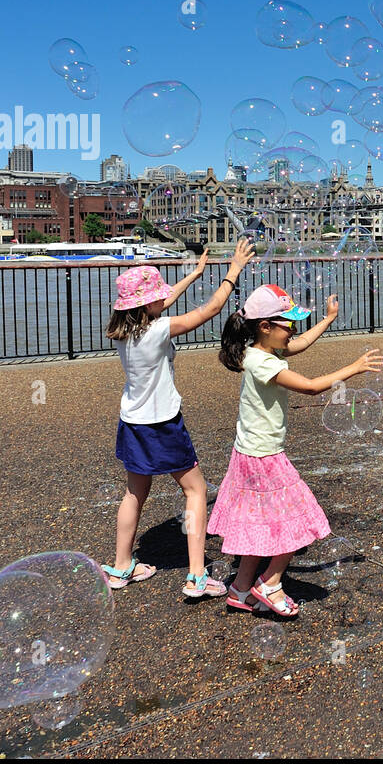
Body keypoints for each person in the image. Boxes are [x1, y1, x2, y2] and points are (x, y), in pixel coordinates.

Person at [210, 285, 383, 616]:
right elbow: (311, 387)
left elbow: (301, 344)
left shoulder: (260, 351)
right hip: (263, 456)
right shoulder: (264, 363)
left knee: (262, 523)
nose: (293, 330)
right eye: (287, 324)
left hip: (252, 452)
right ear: (265, 327)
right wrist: (354, 367)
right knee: (297, 519)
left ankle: (240, 589)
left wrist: (328, 319)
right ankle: (270, 583)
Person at [102, 239, 256, 598]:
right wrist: (233, 269)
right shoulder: (159, 330)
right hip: (163, 423)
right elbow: (211, 308)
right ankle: (197, 576)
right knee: (196, 489)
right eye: (157, 296)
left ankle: (122, 565)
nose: (163, 298)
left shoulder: (123, 331)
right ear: (147, 304)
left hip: (132, 420)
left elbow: (164, 300)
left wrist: (195, 274)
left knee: (134, 492)